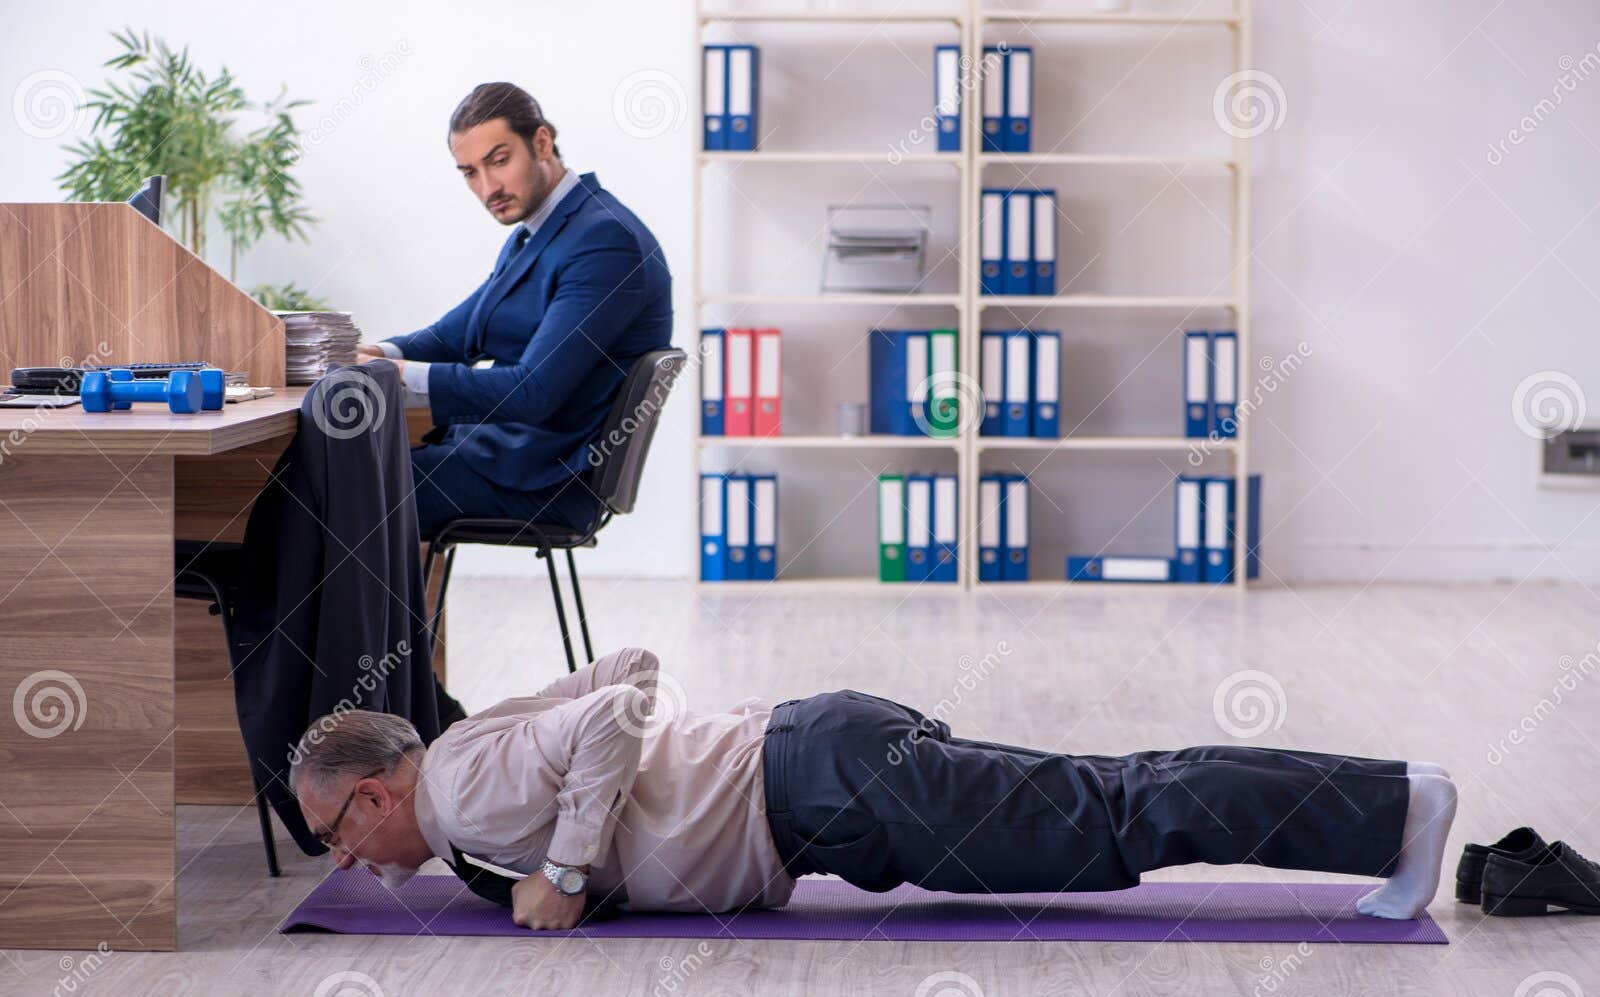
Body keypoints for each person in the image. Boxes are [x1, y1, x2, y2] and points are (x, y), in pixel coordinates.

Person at [291, 648, 1463, 930]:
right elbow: (631, 666)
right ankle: (1392, 807)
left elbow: (617, 706)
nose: (339, 861)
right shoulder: (461, 782)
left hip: (830, 787)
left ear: (374, 794)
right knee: (1111, 800)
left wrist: (560, 865)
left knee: (1116, 810)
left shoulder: (466, 798)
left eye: (332, 833)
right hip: (827, 776)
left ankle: (1399, 812)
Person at [356, 82, 672, 543]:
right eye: (469, 172)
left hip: (544, 481)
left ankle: (282, 616)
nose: (488, 188)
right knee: (328, 476)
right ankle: (354, 617)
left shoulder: (604, 240)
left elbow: (533, 391)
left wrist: (394, 374)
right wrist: (366, 352)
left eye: (499, 161)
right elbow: (453, 336)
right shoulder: (536, 234)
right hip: (504, 461)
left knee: (331, 490)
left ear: (541, 142)